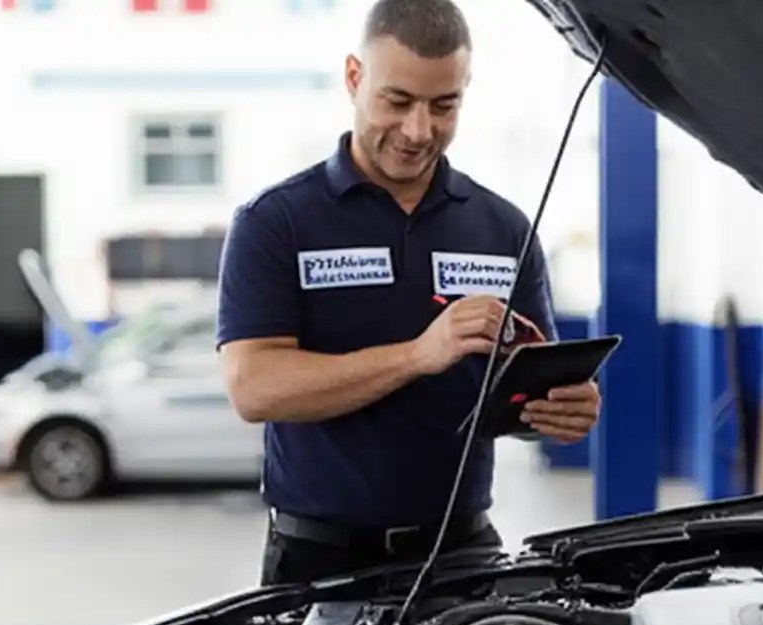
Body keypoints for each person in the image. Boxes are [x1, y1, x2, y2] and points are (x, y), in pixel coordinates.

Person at [215, 0, 602, 586]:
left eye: (443, 106)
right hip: (319, 564)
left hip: (463, 555)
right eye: (397, 102)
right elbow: (254, 389)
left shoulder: (503, 229)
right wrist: (419, 355)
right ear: (354, 77)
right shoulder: (278, 223)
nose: (419, 131)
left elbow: (524, 393)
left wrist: (560, 410)